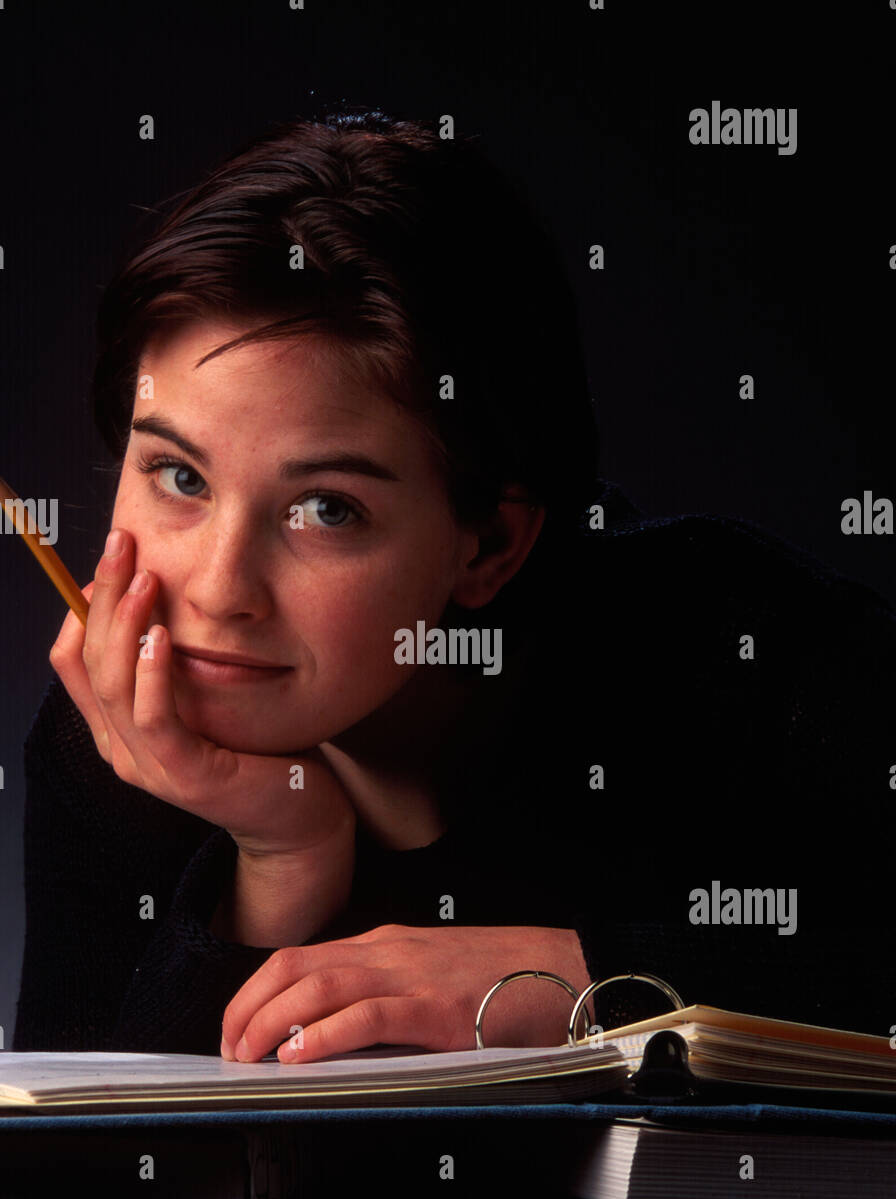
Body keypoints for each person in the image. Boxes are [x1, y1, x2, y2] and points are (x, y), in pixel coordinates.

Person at [13, 110, 896, 1062]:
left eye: (328, 509)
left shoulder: (742, 650)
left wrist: (580, 977)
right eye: (180, 477)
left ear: (491, 547)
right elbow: (102, 1169)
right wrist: (281, 858)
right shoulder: (116, 742)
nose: (220, 591)